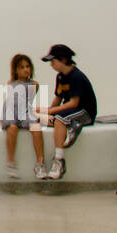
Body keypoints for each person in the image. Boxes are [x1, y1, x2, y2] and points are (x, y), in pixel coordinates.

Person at [40, 45, 98, 180]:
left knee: (59, 119)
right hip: (69, 111)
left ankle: (59, 160)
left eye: (53, 61)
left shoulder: (76, 76)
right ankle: (69, 126)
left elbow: (74, 103)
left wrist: (49, 111)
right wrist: (45, 112)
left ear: (64, 60)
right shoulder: (60, 77)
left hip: (84, 112)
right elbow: (58, 99)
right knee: (39, 118)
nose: (51, 65)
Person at [2, 54, 46, 179]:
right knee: (12, 128)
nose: (26, 69)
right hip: (12, 111)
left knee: (36, 128)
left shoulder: (35, 84)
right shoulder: (11, 83)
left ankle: (40, 163)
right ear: (15, 70)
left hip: (25, 112)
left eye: (28, 67)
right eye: (22, 67)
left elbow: (27, 101)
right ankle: (11, 162)